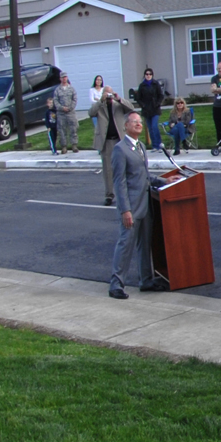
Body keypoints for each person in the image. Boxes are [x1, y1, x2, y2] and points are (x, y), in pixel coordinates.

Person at [106, 111, 168, 299]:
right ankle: (116, 284)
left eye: (140, 122)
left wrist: (164, 181)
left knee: (145, 244)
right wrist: (125, 209)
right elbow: (120, 182)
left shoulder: (140, 146)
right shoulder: (120, 149)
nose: (139, 125)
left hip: (145, 205)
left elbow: (143, 176)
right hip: (131, 207)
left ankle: (146, 280)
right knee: (126, 244)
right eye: (135, 122)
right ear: (125, 125)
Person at [89, 80, 133, 207]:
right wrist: (100, 101)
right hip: (106, 142)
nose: (108, 96)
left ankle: (125, 194)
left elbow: (131, 108)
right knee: (108, 170)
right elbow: (91, 113)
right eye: (106, 93)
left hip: (119, 140)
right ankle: (109, 194)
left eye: (110, 93)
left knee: (123, 167)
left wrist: (118, 98)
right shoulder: (100, 106)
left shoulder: (118, 104)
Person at [51, 73, 80, 154]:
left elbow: (74, 99)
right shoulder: (57, 90)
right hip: (61, 113)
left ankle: (74, 145)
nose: (64, 79)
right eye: (63, 77)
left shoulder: (72, 89)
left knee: (73, 129)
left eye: (65, 77)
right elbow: (55, 101)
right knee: (62, 130)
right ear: (60, 78)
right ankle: (64, 147)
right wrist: (61, 108)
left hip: (71, 113)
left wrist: (70, 108)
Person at [134, 67, 164, 135]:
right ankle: (154, 145)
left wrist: (158, 103)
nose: (148, 75)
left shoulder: (156, 84)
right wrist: (143, 105)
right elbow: (138, 98)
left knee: (154, 126)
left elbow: (161, 95)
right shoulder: (142, 86)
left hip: (155, 109)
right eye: (147, 74)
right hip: (146, 110)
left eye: (150, 74)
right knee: (150, 128)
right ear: (144, 75)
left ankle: (158, 143)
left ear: (152, 75)